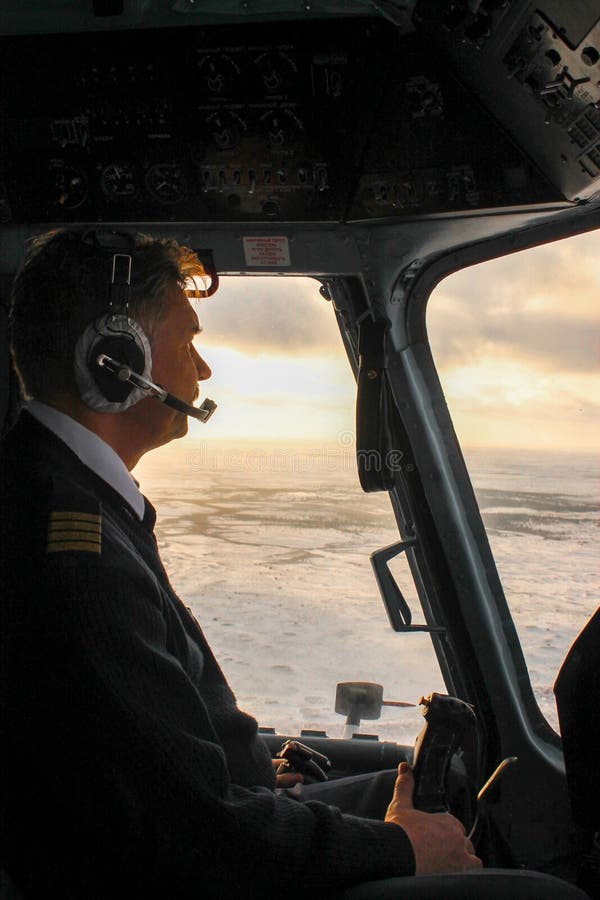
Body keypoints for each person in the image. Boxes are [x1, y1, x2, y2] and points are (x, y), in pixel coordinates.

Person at [0, 227, 484, 899]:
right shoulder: (76, 555)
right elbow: (195, 836)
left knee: (436, 792)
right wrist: (403, 849)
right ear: (113, 361)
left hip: (198, 827)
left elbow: (147, 763)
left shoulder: (61, 493)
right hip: (183, 868)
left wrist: (251, 776)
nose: (201, 371)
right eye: (186, 343)